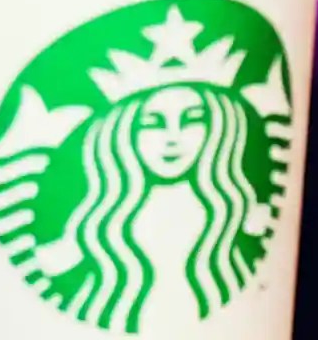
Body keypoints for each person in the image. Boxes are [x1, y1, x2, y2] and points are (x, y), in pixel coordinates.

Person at [33, 85, 271, 333]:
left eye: (192, 120)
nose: (173, 137)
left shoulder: (232, 204)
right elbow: (50, 264)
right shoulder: (101, 214)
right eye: (152, 123)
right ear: (123, 132)